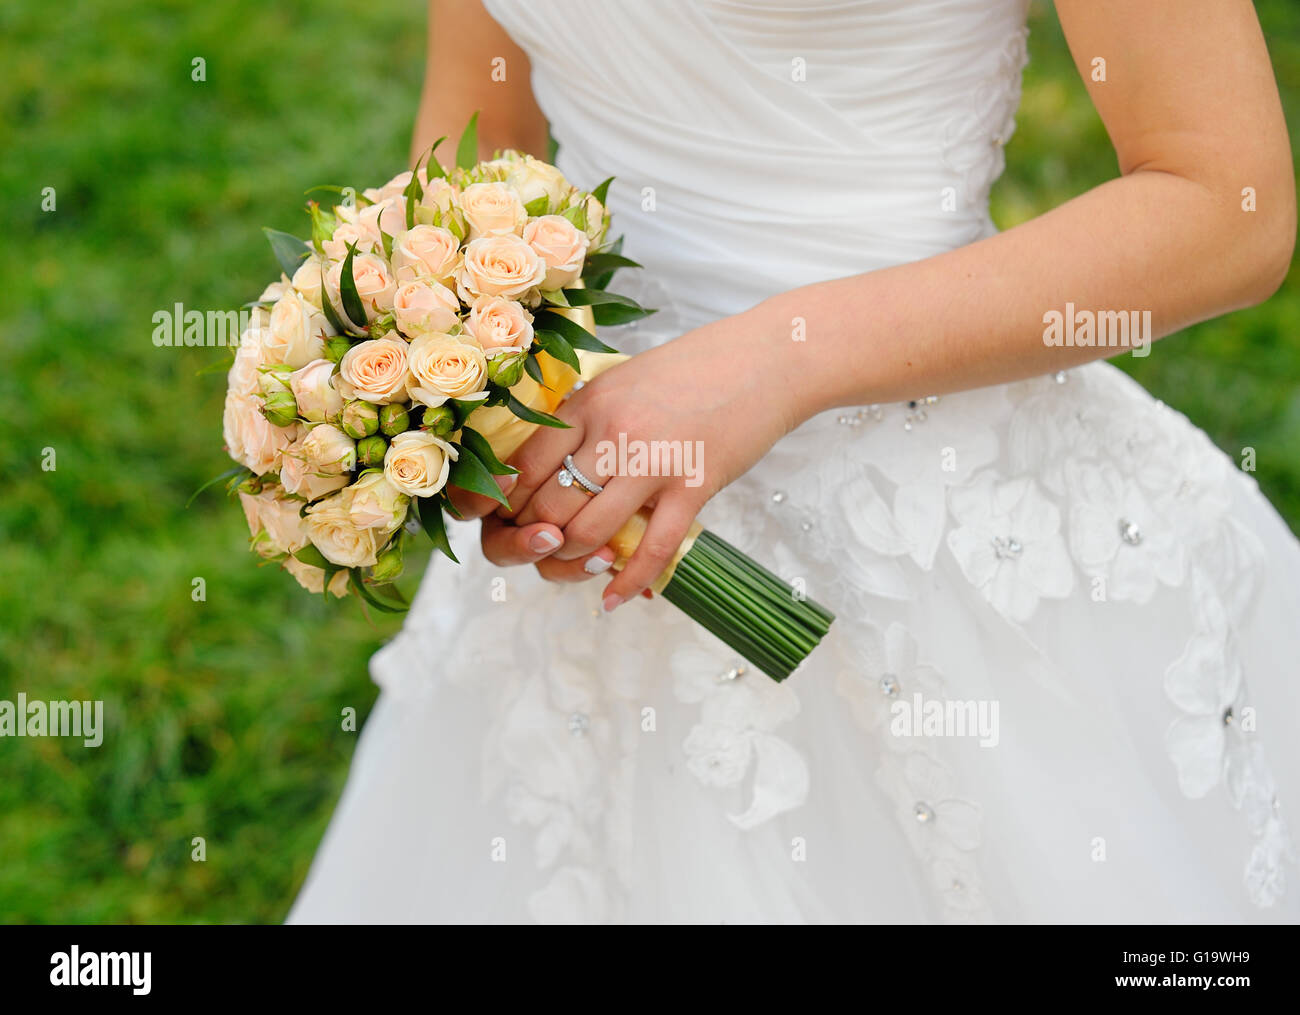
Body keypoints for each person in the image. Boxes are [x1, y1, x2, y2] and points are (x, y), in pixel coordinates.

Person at [290, 0, 1300, 923]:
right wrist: (476, 394)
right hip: (594, 490)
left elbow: (1227, 207)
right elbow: (477, 138)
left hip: (934, 505)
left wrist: (772, 360)